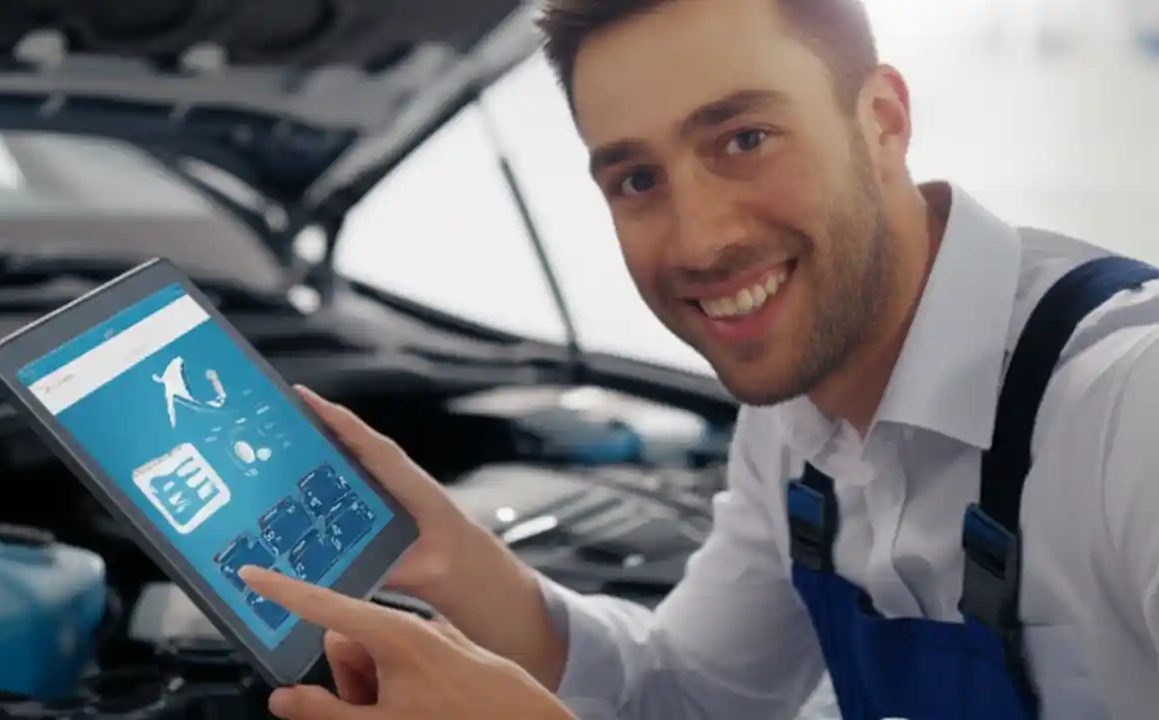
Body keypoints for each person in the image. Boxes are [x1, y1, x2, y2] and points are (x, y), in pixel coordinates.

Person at [238, 0, 1159, 718]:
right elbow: (688, 696)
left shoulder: (1130, 407)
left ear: (882, 119)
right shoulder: (794, 418)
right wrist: (460, 567)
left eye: (744, 139)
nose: (698, 240)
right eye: (637, 179)